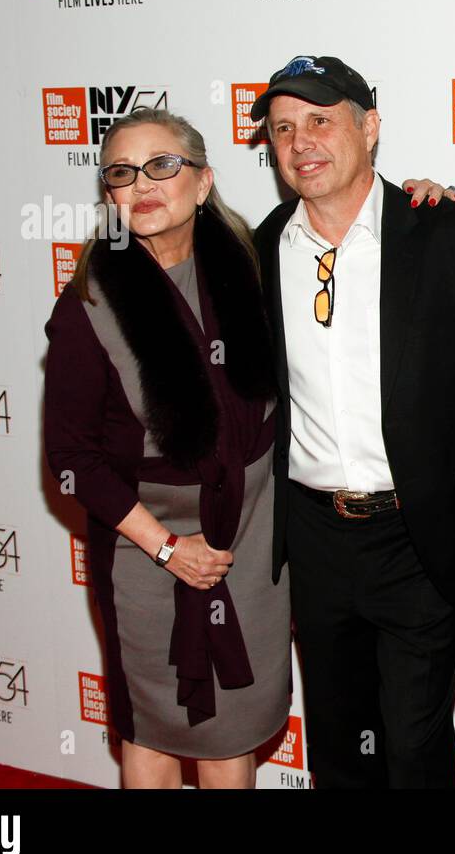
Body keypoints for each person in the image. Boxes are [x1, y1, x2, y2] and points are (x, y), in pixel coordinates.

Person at [250, 55, 455, 788]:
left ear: (371, 127)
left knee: (415, 747)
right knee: (338, 739)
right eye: (283, 128)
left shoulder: (449, 234)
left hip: (416, 539)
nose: (301, 143)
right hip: (314, 538)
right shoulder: (260, 251)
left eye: (322, 120)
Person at [44, 108, 288, 788]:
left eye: (162, 165)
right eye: (122, 172)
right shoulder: (89, 302)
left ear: (203, 182)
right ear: (109, 194)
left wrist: (425, 196)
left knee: (229, 735)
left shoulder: (255, 267)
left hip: (249, 541)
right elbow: (70, 462)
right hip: (146, 555)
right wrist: (165, 548)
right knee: (152, 728)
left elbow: (348, 232)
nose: (143, 184)